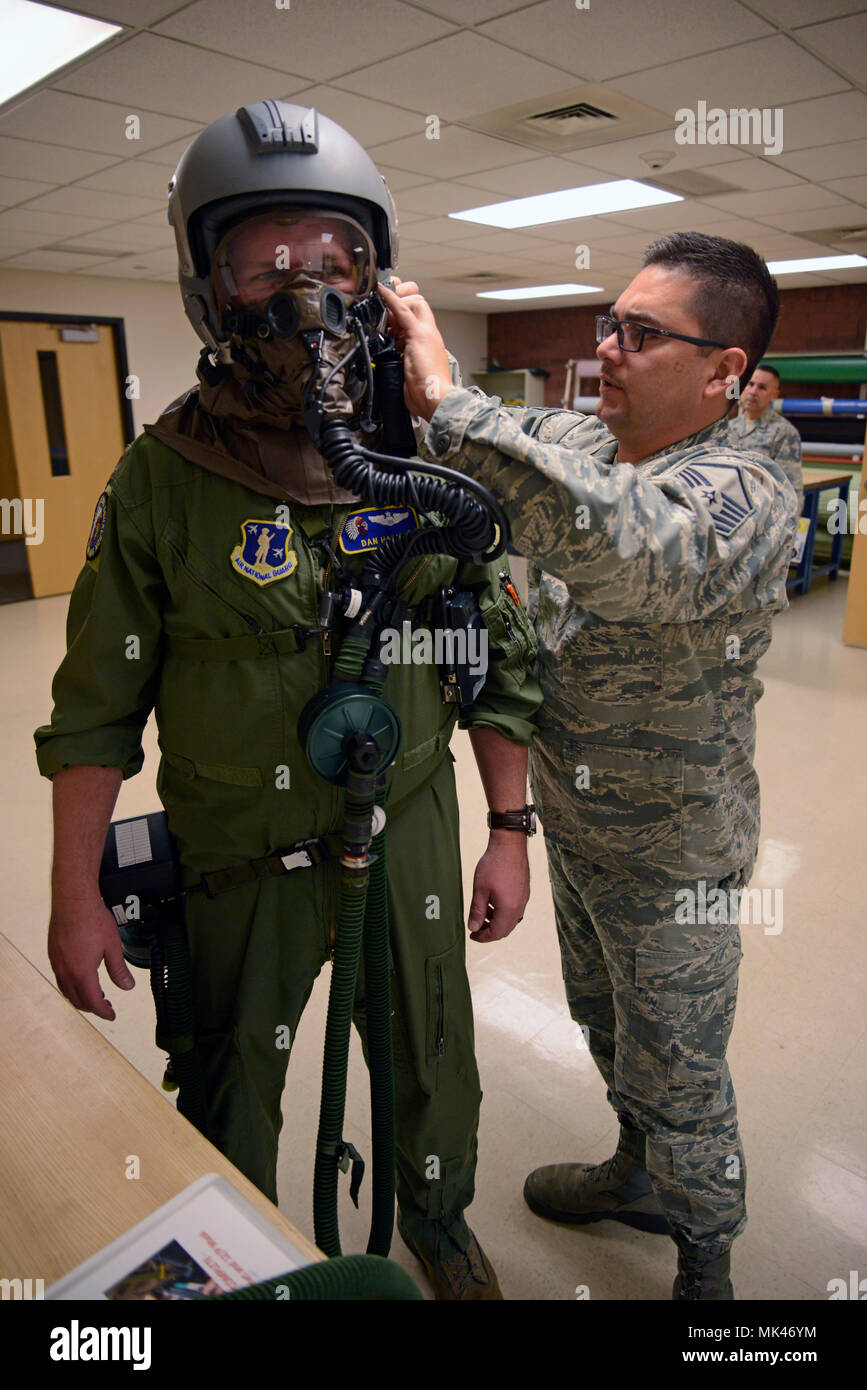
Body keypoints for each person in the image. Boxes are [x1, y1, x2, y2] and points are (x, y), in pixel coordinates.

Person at [34, 101, 542, 1302]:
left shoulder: (433, 464)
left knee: (430, 1046)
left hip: (407, 813)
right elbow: (94, 709)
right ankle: (238, 1257)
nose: (303, 284)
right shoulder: (162, 477)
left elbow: (495, 657)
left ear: (377, 274)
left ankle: (437, 1215)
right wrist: (70, 897)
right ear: (209, 284)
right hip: (236, 847)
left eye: (335, 256)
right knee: (227, 1076)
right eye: (264, 259)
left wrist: (510, 830)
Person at [381, 231, 799, 1300]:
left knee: (686, 1077)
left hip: (675, 859)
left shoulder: (743, 491)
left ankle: (708, 1266)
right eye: (609, 324)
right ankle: (637, 1171)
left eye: (643, 333)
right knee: (606, 1025)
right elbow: (516, 438)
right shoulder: (599, 436)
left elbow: (628, 546)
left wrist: (453, 409)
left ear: (725, 372)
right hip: (580, 827)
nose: (608, 349)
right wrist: (422, 368)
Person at [730, 363, 803, 510]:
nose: (753, 391)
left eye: (762, 388)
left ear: (774, 395)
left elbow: (790, 491)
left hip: (760, 514)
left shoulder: (783, 433)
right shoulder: (729, 427)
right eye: (750, 384)